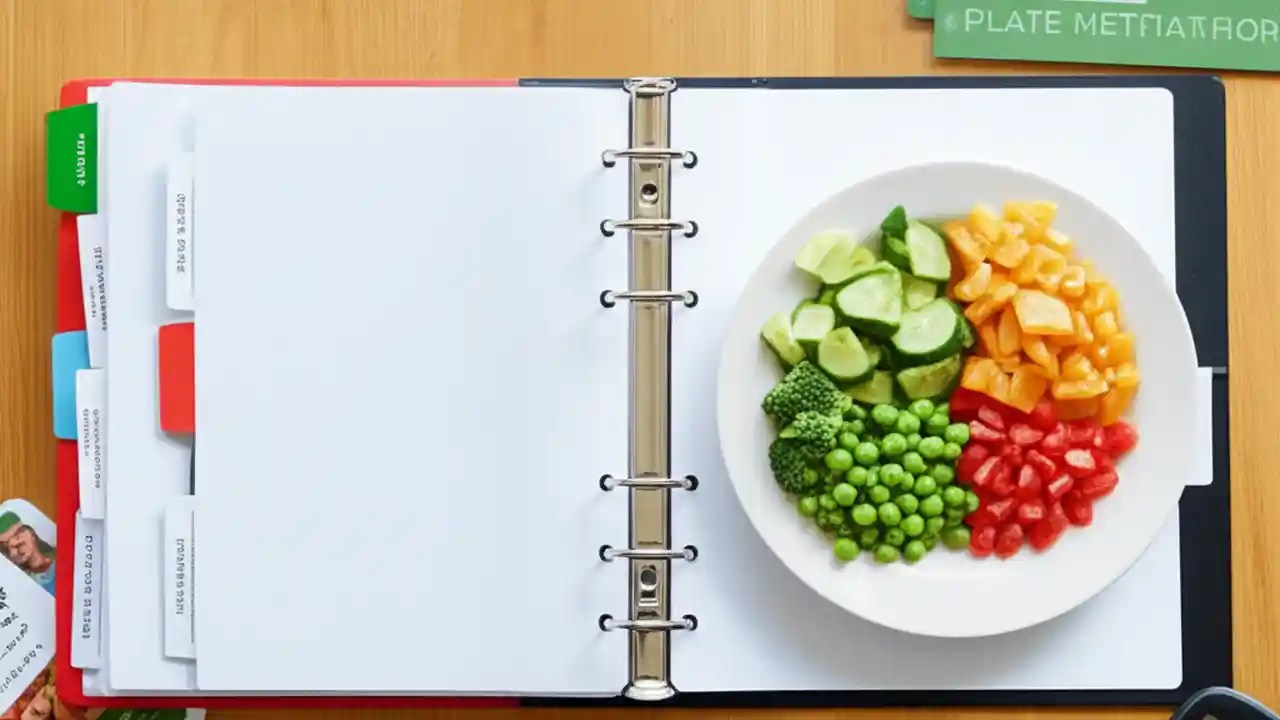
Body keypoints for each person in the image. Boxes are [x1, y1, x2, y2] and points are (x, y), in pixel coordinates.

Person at [0, 513, 55, 595]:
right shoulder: (22, 587)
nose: (14, 543)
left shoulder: (63, 555)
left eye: (17, 534)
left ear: (31, 533)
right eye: (6, 544)